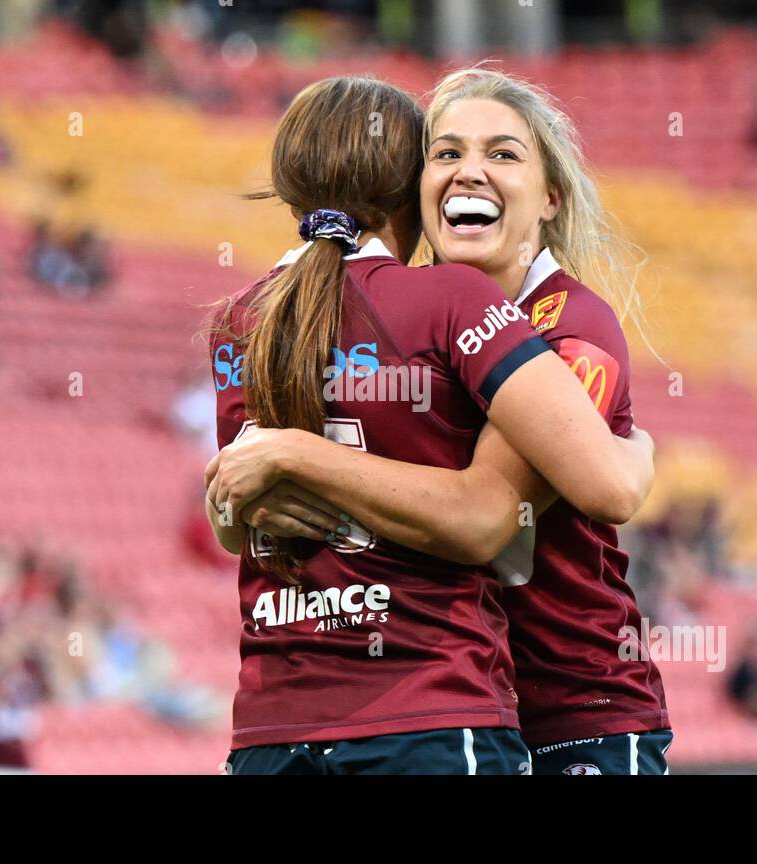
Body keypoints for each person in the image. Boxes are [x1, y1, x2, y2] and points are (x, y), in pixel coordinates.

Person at [205, 69, 673, 774]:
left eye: (504, 154)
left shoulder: (566, 324)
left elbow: (593, 491)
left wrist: (638, 453)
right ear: (409, 187)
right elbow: (238, 511)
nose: (469, 172)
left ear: (551, 197)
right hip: (457, 701)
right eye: (446, 154)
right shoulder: (422, 314)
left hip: (576, 712)